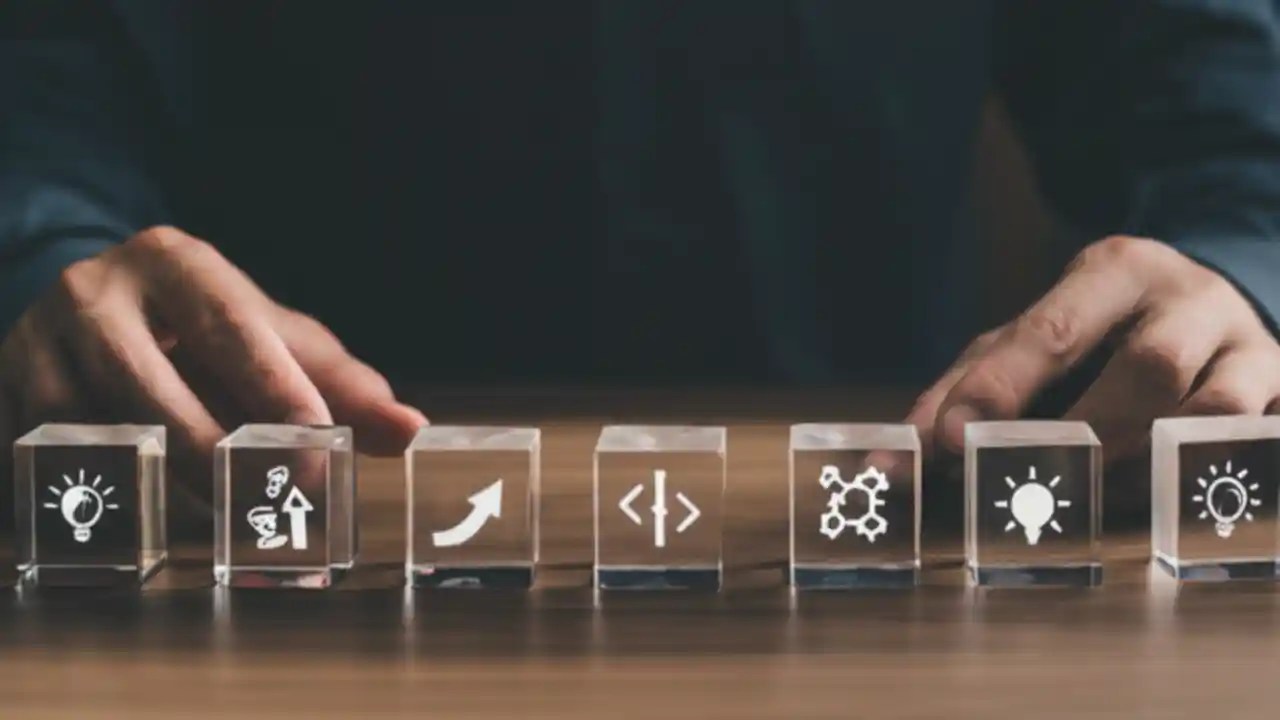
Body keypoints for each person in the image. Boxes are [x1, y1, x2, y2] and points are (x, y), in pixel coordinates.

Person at [2, 1, 1279, 504]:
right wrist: (46, 253)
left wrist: (1236, 270)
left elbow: (1222, 105)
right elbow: (54, 84)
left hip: (884, 534)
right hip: (272, 518)